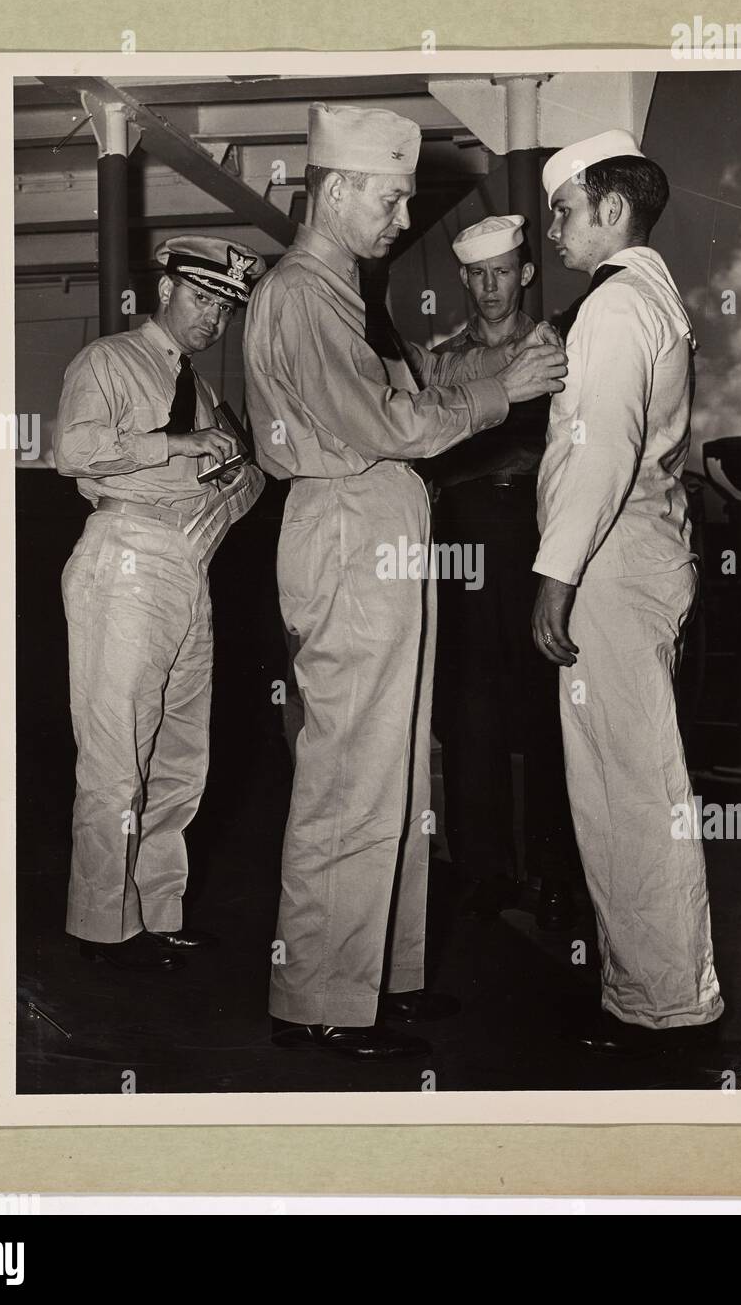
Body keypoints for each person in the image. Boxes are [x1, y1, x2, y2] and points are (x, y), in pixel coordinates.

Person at [244, 102, 567, 1060]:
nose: (398, 219)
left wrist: (480, 385)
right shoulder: (304, 293)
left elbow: (401, 400)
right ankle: (317, 998)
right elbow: (382, 423)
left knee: (396, 766)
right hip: (349, 528)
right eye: (387, 200)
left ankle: (383, 975)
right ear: (336, 189)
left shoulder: (338, 292)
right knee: (349, 773)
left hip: (376, 530)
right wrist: (501, 390)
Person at [531, 129, 725, 1053]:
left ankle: (664, 1014)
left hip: (606, 567)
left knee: (627, 792)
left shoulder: (609, 313)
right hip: (643, 556)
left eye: (564, 212)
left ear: (611, 210)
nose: (553, 231)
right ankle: (648, 997)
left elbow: (600, 455)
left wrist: (554, 579)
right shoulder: (657, 299)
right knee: (632, 782)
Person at [55, 235, 267, 972]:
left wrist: (223, 492)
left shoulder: (205, 391)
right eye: (204, 300)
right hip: (125, 554)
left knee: (181, 756)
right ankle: (101, 928)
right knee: (116, 759)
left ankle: (159, 909)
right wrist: (178, 446)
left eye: (226, 310)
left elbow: (247, 476)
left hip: (189, 565)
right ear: (167, 288)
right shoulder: (110, 360)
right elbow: (75, 448)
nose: (214, 320)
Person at [421, 215, 578, 929]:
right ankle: (483, 871)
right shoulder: (440, 361)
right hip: (461, 538)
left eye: (504, 272)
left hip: (536, 535)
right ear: (464, 279)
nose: (492, 287)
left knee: (549, 705)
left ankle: (554, 869)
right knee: (470, 706)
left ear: (526, 275)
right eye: (479, 275)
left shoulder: (555, 349)